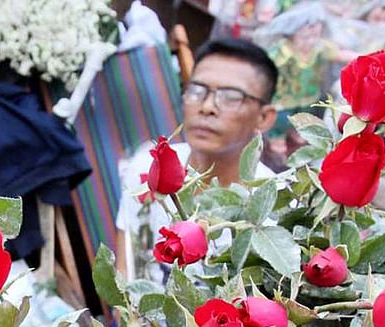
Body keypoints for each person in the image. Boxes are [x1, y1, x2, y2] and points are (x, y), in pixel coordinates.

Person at [116, 38, 279, 281]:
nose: (207, 107)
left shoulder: (276, 209)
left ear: (264, 118)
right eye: (196, 91)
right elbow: (128, 271)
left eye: (231, 97)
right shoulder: (149, 170)